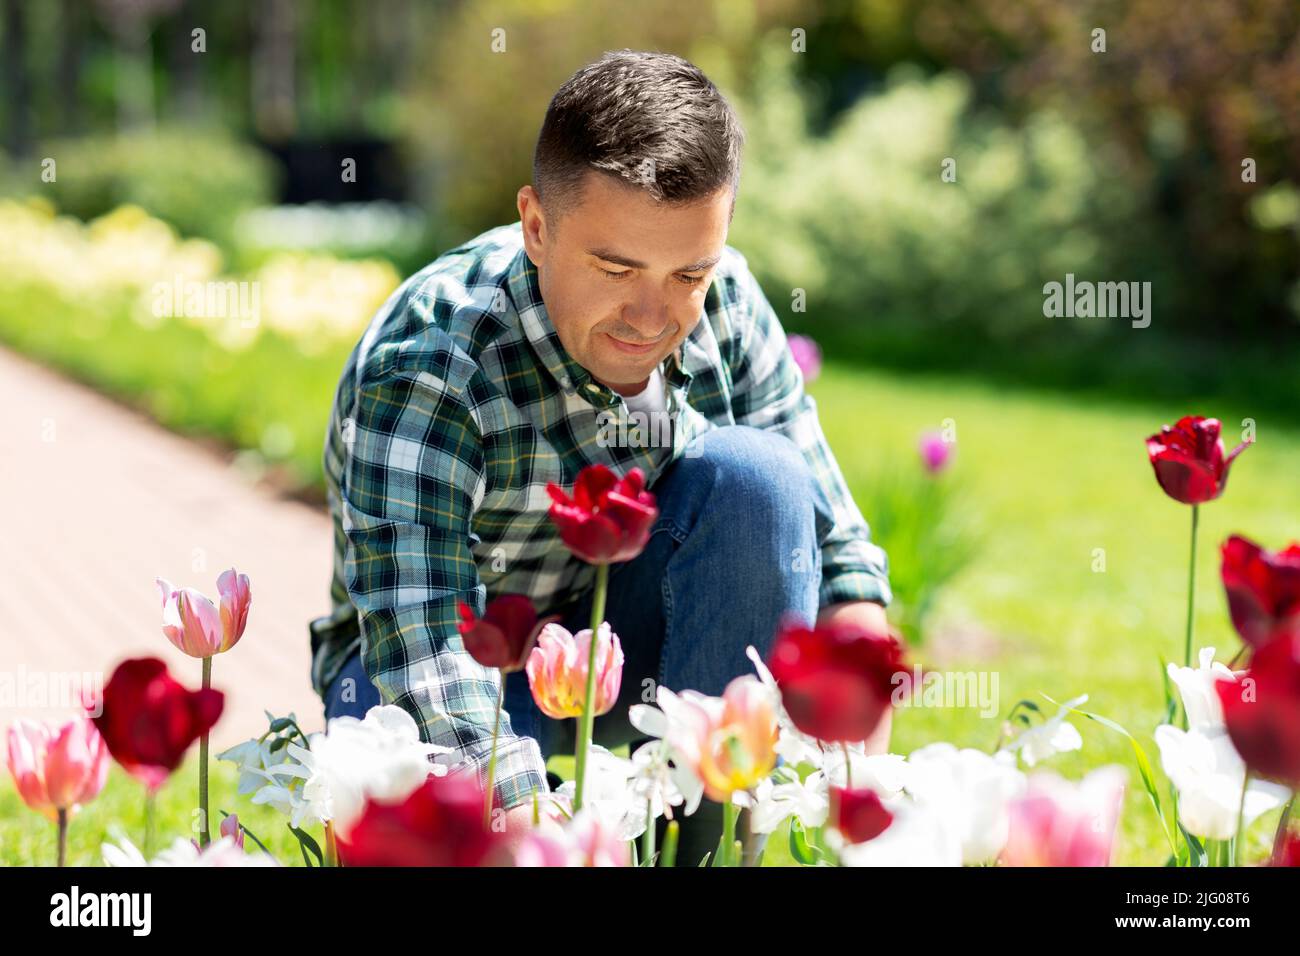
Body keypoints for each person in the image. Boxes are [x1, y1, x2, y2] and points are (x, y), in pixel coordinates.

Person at [308, 49, 892, 865]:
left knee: (764, 480)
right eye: (616, 267)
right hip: (437, 670)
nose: (652, 316)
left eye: (687, 271)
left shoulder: (726, 298)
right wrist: (537, 835)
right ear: (537, 227)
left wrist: (862, 683)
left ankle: (703, 850)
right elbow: (425, 636)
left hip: (638, 657)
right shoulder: (430, 364)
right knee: (402, 746)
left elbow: (833, 547)